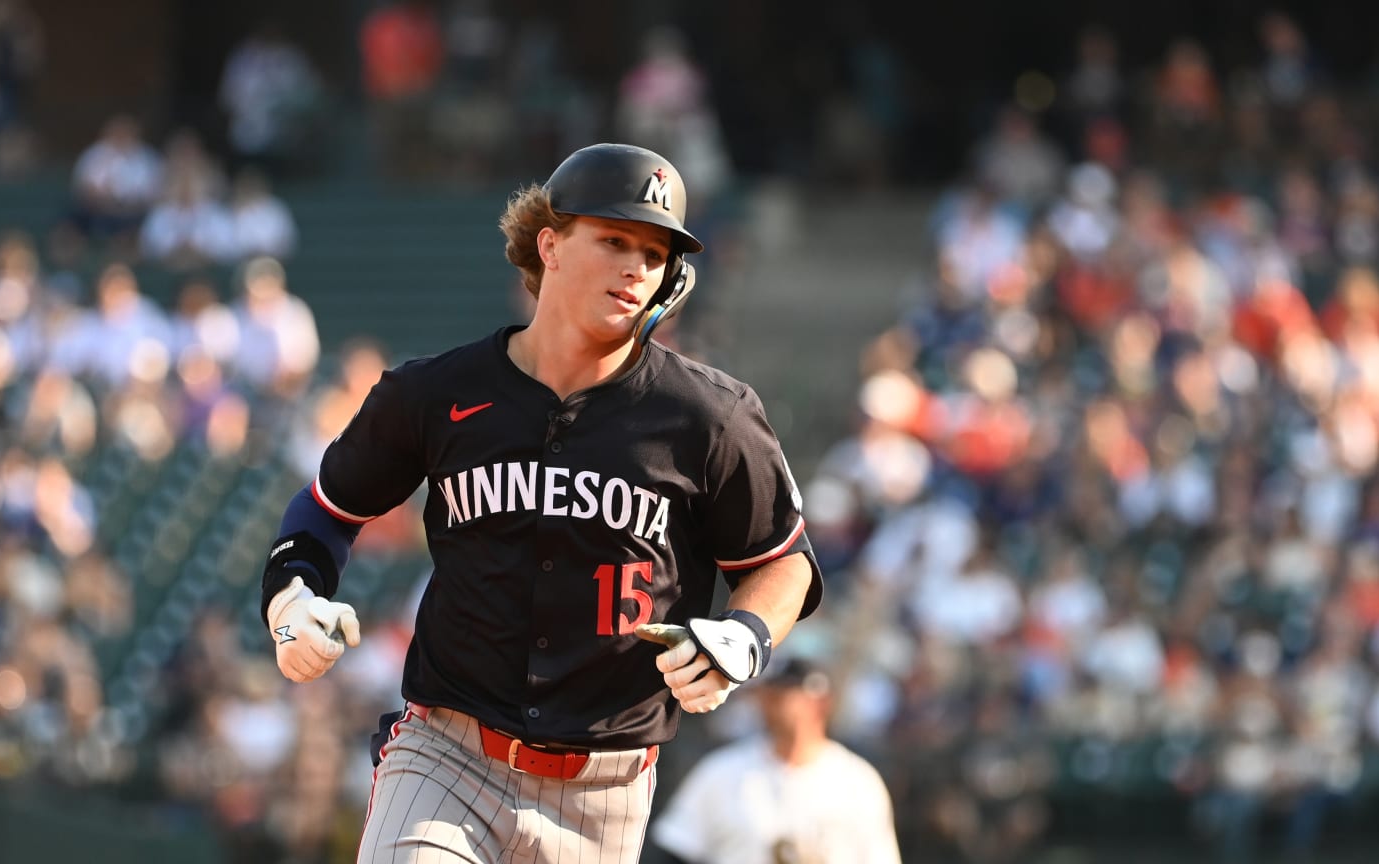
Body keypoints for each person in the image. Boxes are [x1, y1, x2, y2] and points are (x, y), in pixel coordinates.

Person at [256, 142, 822, 862]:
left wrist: (745, 637)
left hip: (606, 790)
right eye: (614, 239)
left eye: (655, 254)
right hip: (447, 758)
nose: (635, 268)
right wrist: (292, 597)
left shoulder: (709, 416)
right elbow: (327, 512)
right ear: (549, 244)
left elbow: (782, 561)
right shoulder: (435, 393)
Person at [648, 657, 902, 863]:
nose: (770, 704)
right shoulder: (722, 770)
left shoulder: (858, 782)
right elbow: (674, 850)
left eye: (784, 695)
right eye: (768, 695)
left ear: (820, 703)